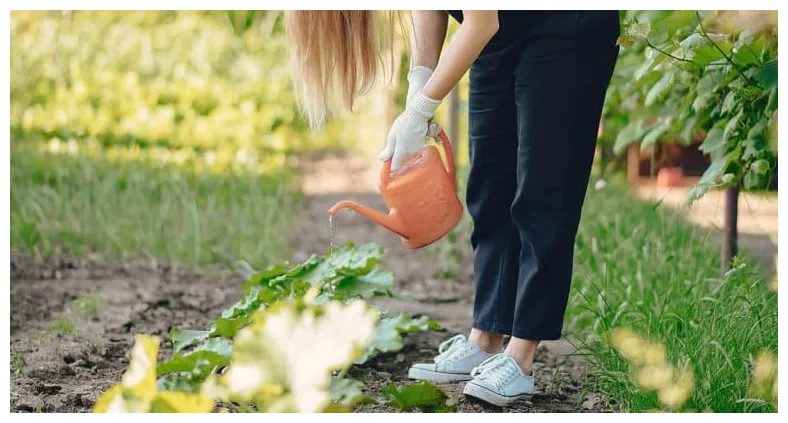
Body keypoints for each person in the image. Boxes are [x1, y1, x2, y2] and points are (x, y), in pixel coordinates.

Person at [285, 10, 619, 407]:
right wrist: (419, 81)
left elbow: (481, 22)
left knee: (543, 195)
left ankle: (521, 355)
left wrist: (420, 110)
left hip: (566, 25)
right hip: (502, 30)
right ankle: (487, 334)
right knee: (489, 189)